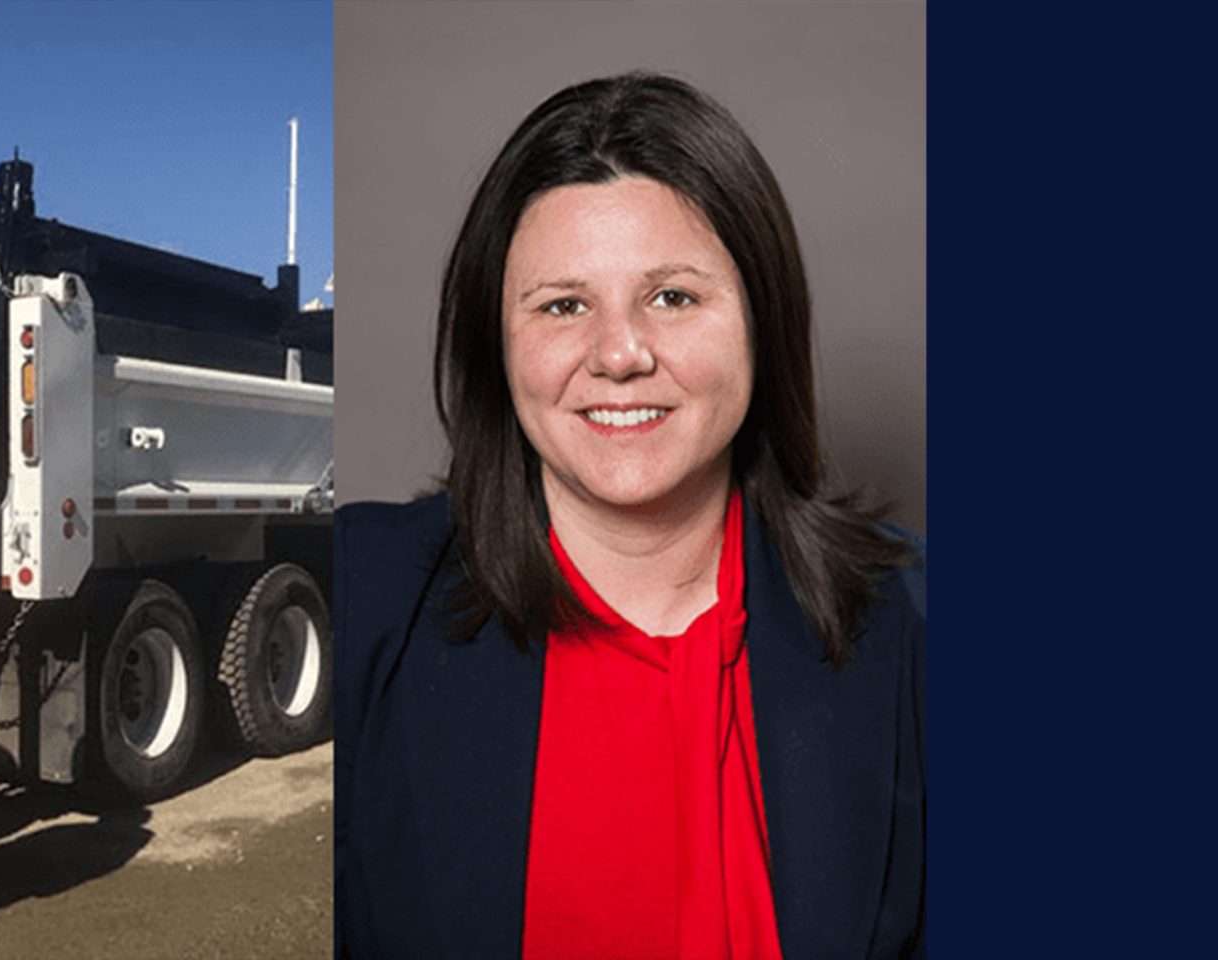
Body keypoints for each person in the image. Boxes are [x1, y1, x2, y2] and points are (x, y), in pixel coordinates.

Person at [333, 73, 925, 959]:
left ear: (762, 321)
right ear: (495, 343)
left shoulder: (914, 625)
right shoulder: (361, 600)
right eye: (563, 305)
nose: (619, 354)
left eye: (673, 297)